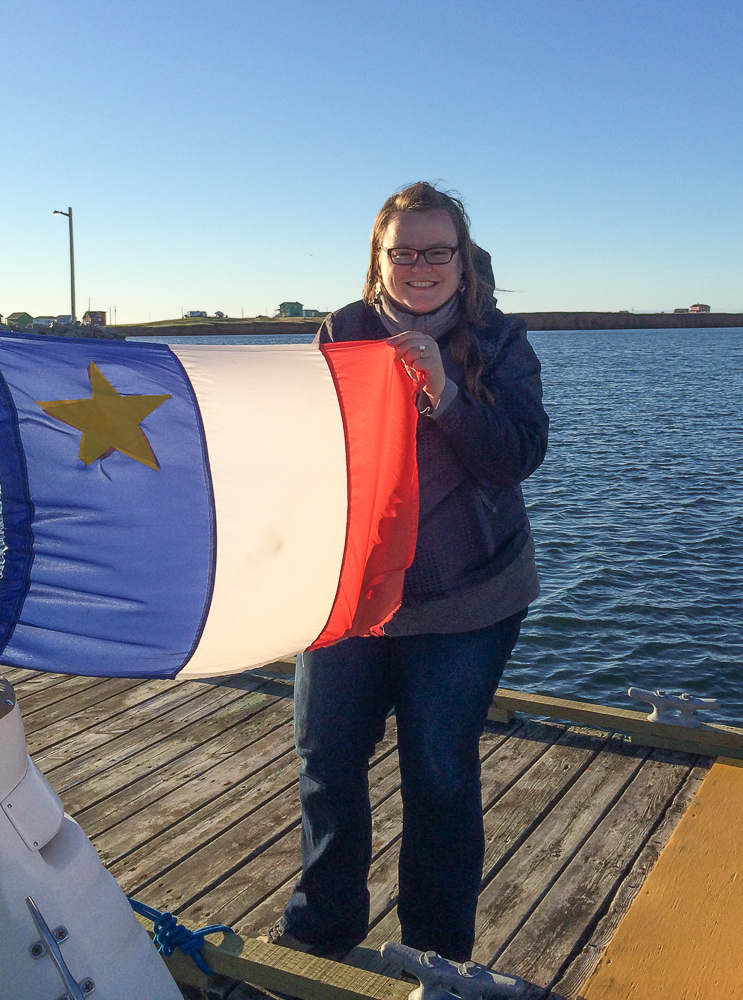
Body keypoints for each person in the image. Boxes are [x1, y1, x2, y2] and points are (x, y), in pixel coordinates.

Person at [264, 181, 548, 963]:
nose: (420, 267)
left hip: (466, 600)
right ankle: (320, 929)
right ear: (378, 259)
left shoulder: (500, 339)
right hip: (352, 595)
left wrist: (446, 392)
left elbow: (518, 456)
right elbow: (308, 446)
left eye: (437, 252)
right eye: (404, 253)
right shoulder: (343, 330)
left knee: (439, 775)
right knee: (326, 760)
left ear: (462, 259)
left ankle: (435, 953)